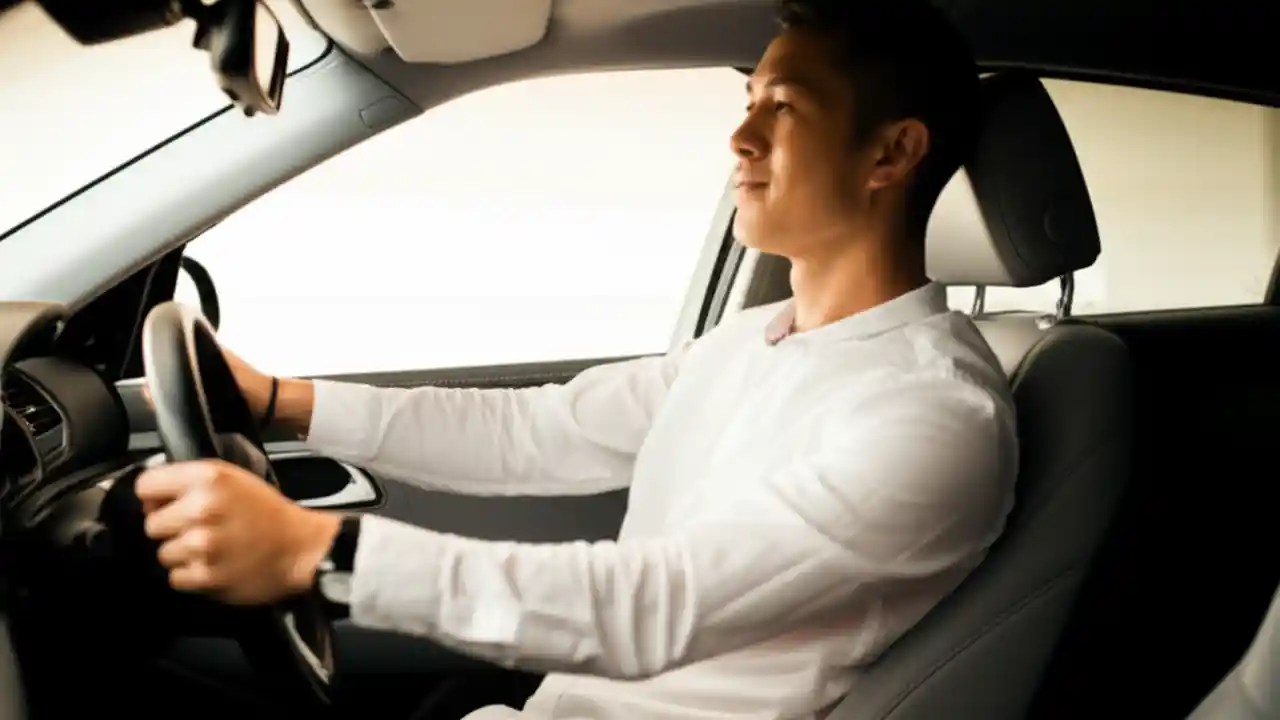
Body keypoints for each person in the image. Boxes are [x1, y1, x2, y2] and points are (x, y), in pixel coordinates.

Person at [134, 0, 1018, 717]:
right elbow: (537, 431)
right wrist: (286, 400)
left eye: (783, 109)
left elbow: (654, 606)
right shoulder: (763, 339)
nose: (741, 139)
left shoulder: (932, 416)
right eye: (746, 102)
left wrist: (320, 554)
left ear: (892, 153)